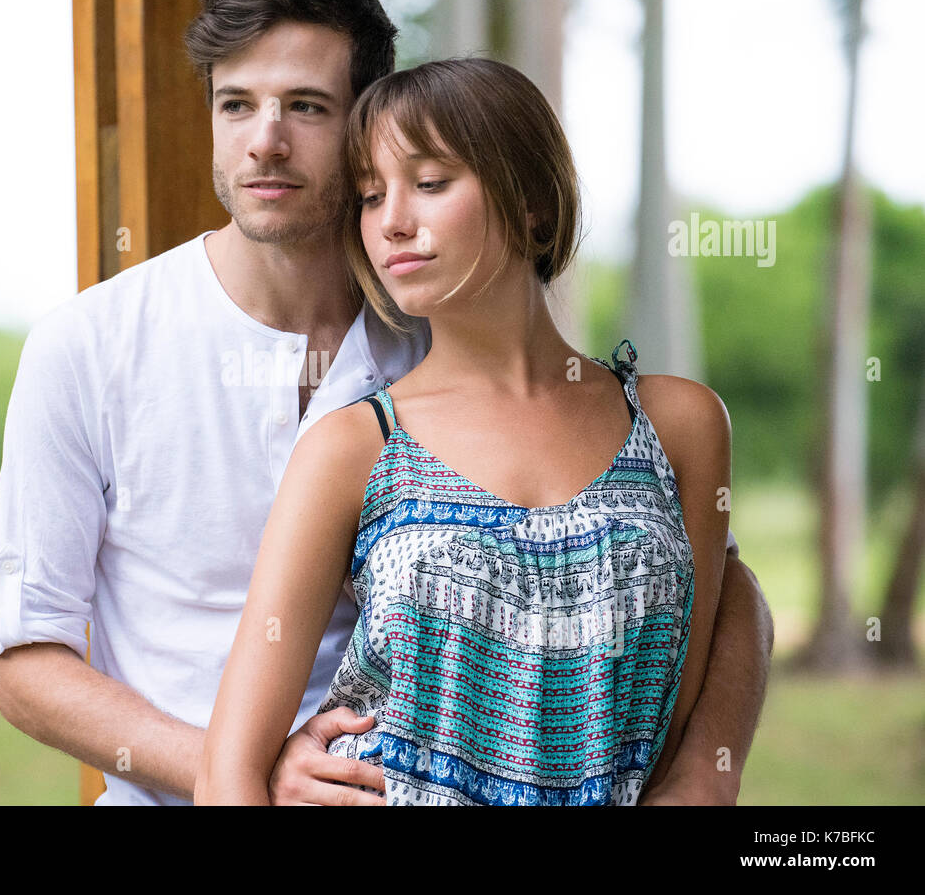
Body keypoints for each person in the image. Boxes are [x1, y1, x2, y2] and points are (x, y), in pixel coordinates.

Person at [0, 0, 772, 806]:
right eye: (235, 104)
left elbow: (718, 587)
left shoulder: (442, 328)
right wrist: (237, 764)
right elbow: (24, 657)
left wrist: (703, 770)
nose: (264, 140)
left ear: (370, 122)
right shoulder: (87, 347)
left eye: (306, 107)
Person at [195, 57, 731, 805]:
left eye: (431, 183)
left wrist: (711, 771)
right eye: (371, 195)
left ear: (535, 205)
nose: (391, 222)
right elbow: (229, 774)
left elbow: (707, 651)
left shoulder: (679, 426)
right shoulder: (356, 446)